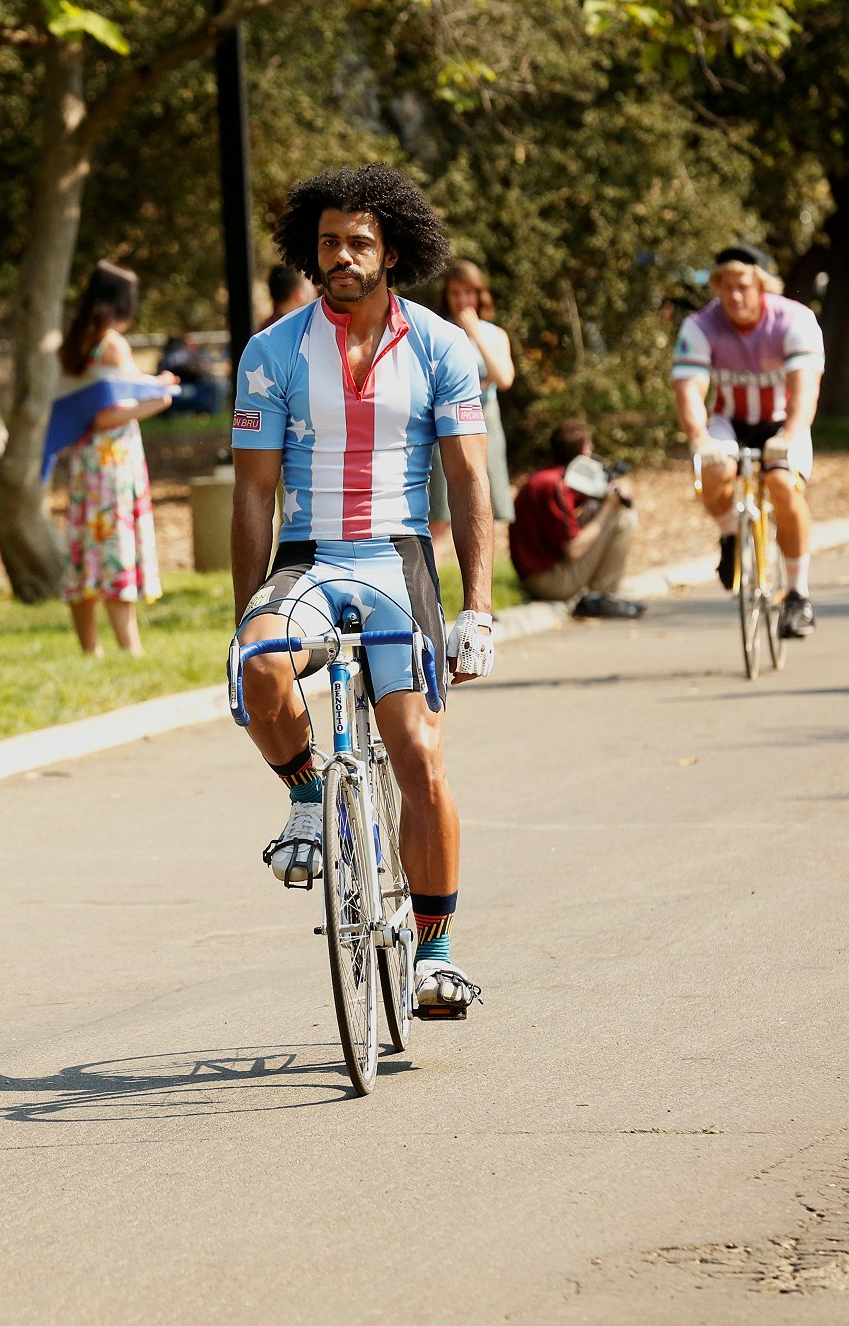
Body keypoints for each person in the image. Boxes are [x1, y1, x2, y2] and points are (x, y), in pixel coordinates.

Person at [230, 164, 496, 1020]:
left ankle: (436, 952)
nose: (339, 256)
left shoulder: (441, 347)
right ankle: (309, 798)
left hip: (397, 557)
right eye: (327, 243)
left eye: (358, 243)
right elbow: (250, 496)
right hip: (306, 555)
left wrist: (478, 608)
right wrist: (242, 616)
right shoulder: (272, 351)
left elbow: (469, 484)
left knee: (417, 754)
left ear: (391, 253)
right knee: (264, 663)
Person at [672, 244, 826, 638]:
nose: (735, 296)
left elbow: (805, 389)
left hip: (782, 420)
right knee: (714, 471)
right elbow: (690, 391)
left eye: (743, 286)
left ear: (761, 284)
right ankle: (729, 535)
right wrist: (699, 437)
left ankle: (797, 594)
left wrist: (790, 436)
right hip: (728, 420)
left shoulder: (794, 320)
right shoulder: (701, 325)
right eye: (726, 287)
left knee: (781, 483)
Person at [56, 261, 172, 658]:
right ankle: (130, 649)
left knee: (85, 548)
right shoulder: (113, 344)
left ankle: (91, 650)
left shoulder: (75, 340)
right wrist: (157, 400)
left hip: (84, 460)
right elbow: (108, 413)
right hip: (113, 459)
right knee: (114, 549)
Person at [510, 419, 645, 618]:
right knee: (619, 515)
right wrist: (609, 506)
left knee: (599, 507)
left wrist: (617, 487)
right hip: (549, 581)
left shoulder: (550, 477)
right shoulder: (554, 485)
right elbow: (573, 549)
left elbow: (600, 495)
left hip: (538, 572)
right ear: (584, 450)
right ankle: (602, 596)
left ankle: (600, 595)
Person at [426, 259, 515, 548]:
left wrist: (474, 332)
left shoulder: (494, 333)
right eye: (456, 293)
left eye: (469, 292)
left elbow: (503, 377)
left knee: (484, 505)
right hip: (445, 423)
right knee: (438, 514)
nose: (463, 300)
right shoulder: (438, 332)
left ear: (480, 294)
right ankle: (431, 589)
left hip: (486, 421)